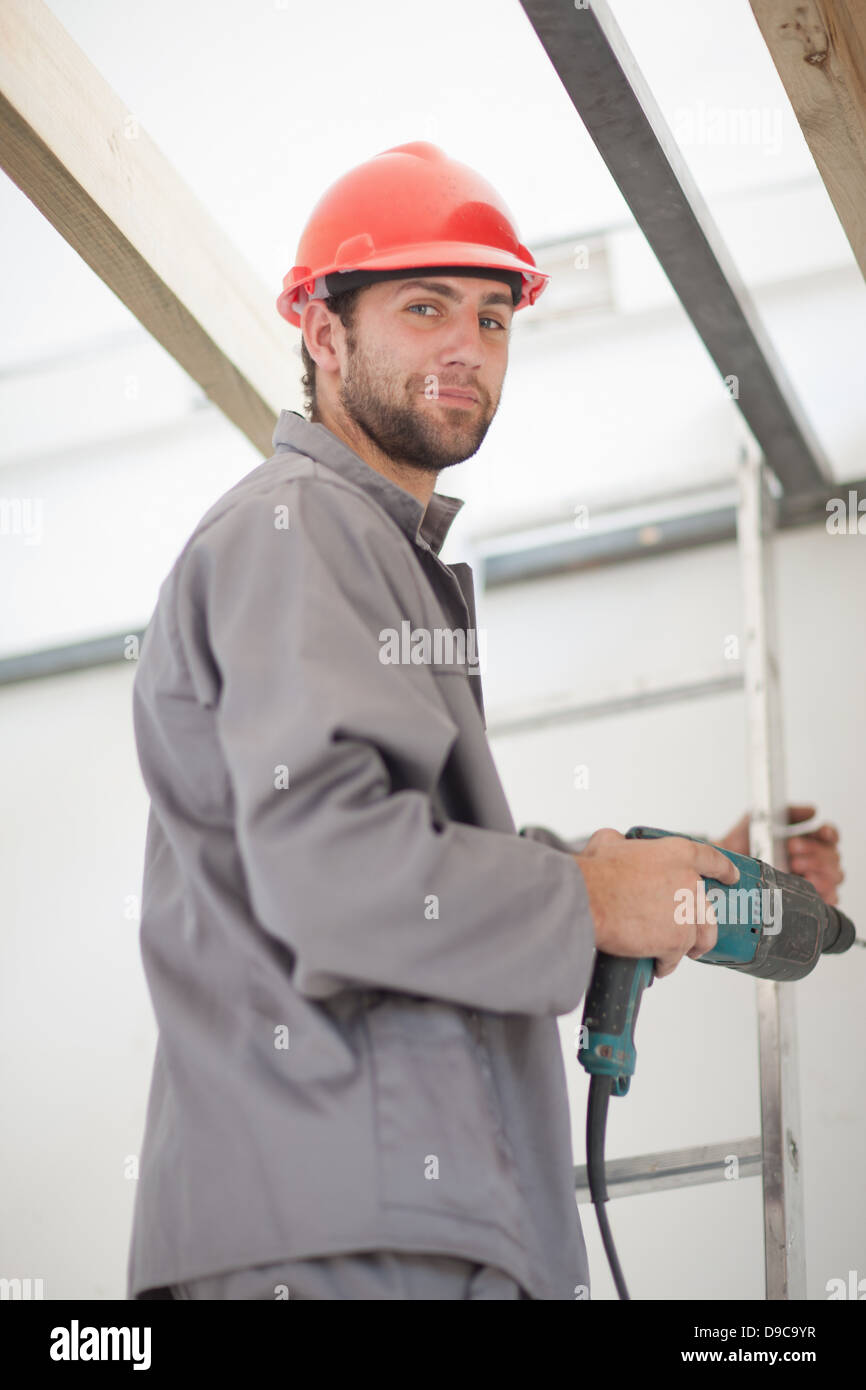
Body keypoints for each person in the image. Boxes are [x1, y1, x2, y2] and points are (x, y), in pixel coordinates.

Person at [126, 143, 844, 1301]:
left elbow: (393, 880)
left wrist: (640, 882)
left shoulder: (372, 554)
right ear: (322, 330)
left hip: (407, 1222)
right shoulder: (300, 527)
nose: (467, 346)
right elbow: (338, 870)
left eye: (493, 317)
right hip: (332, 1235)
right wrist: (589, 897)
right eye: (423, 307)